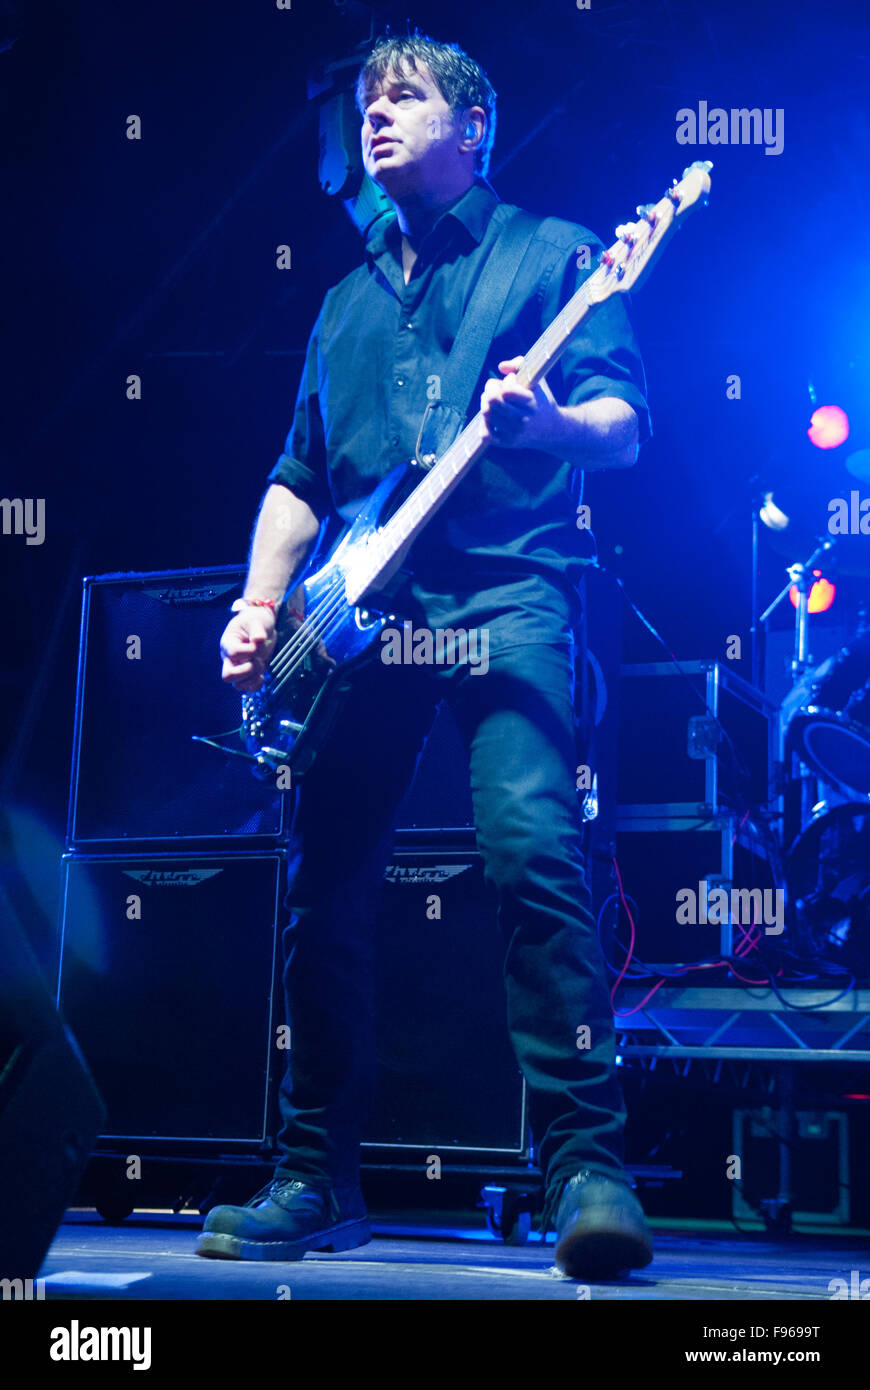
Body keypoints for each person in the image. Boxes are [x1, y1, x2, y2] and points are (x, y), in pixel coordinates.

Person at [199, 32, 653, 1280]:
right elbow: (299, 479)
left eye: (405, 97)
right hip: (363, 621)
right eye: (367, 102)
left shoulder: (555, 255)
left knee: (531, 853)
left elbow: (623, 424)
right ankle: (313, 1172)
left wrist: (552, 419)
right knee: (322, 884)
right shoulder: (342, 306)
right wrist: (256, 602)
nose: (377, 115)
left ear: (478, 126)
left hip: (508, 591)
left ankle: (587, 1167)